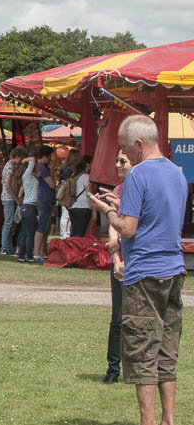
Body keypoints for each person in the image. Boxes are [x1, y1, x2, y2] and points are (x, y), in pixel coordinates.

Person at [90, 115, 187, 425]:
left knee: (142, 347)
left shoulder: (138, 175)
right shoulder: (177, 173)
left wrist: (107, 210)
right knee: (166, 347)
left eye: (124, 148)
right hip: (173, 268)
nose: (123, 155)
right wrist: (121, 203)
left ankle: (147, 421)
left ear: (139, 144)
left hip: (144, 271)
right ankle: (169, 419)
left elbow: (128, 229)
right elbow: (158, 214)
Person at [102, 151, 131, 385]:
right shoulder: (119, 189)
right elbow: (114, 225)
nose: (118, 164)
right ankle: (113, 370)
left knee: (137, 319)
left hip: (139, 261)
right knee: (118, 319)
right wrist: (116, 259)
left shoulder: (139, 189)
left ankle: (135, 369)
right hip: (121, 261)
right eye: (117, 160)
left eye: (123, 161)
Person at [34, 147, 59, 262]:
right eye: (50, 156)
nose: (51, 159)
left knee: (46, 228)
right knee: (42, 227)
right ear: (45, 156)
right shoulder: (42, 168)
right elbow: (52, 185)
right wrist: (52, 171)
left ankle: (42, 252)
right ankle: (37, 253)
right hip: (45, 200)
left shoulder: (40, 167)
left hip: (45, 200)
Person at [0, 146, 26, 255]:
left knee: (10, 223)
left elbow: (3, 182)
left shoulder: (10, 166)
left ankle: (8, 245)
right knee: (8, 223)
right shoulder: (10, 167)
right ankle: (5, 247)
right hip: (9, 198)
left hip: (8, 198)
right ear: (16, 156)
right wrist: (16, 198)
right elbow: (8, 184)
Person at [17, 148, 40, 262]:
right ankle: (29, 256)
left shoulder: (31, 176)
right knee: (30, 233)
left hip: (27, 206)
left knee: (25, 233)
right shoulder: (27, 175)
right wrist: (24, 160)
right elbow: (32, 160)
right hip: (30, 206)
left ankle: (21, 255)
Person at [67, 155, 93, 239]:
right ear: (87, 164)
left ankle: (70, 249)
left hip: (72, 206)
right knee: (79, 234)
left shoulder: (74, 175)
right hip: (83, 207)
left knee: (74, 232)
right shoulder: (86, 177)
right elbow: (89, 194)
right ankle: (75, 251)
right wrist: (94, 210)